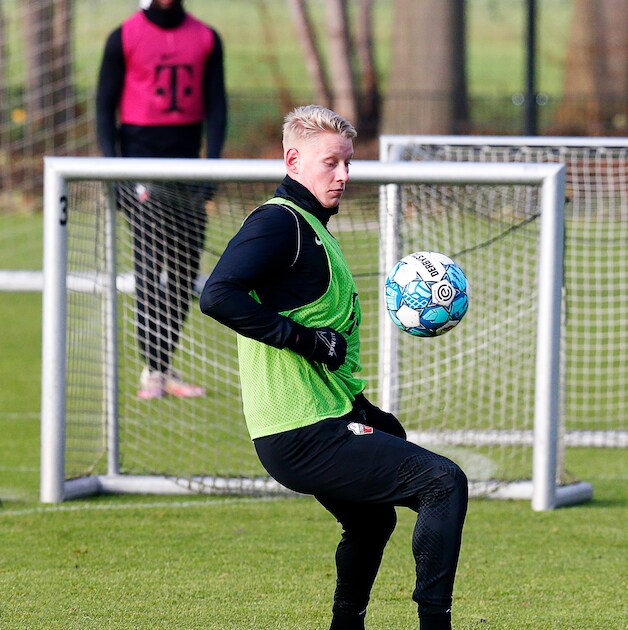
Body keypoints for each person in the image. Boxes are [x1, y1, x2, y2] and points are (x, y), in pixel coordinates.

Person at [199, 105, 468, 630]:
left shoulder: (312, 229)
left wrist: (362, 406)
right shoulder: (278, 223)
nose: (343, 176)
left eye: (348, 164)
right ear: (293, 160)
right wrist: (303, 339)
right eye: (331, 164)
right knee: (444, 482)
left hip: (321, 418)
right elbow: (217, 295)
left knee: (371, 520)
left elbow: (330, 348)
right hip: (299, 431)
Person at [96, 0, 227, 399]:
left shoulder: (206, 37)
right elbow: (104, 107)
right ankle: (152, 370)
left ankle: (161, 364)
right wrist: (114, 174)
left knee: (185, 269)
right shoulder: (124, 36)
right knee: (150, 264)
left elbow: (217, 106)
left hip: (187, 167)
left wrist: (213, 166)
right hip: (140, 165)